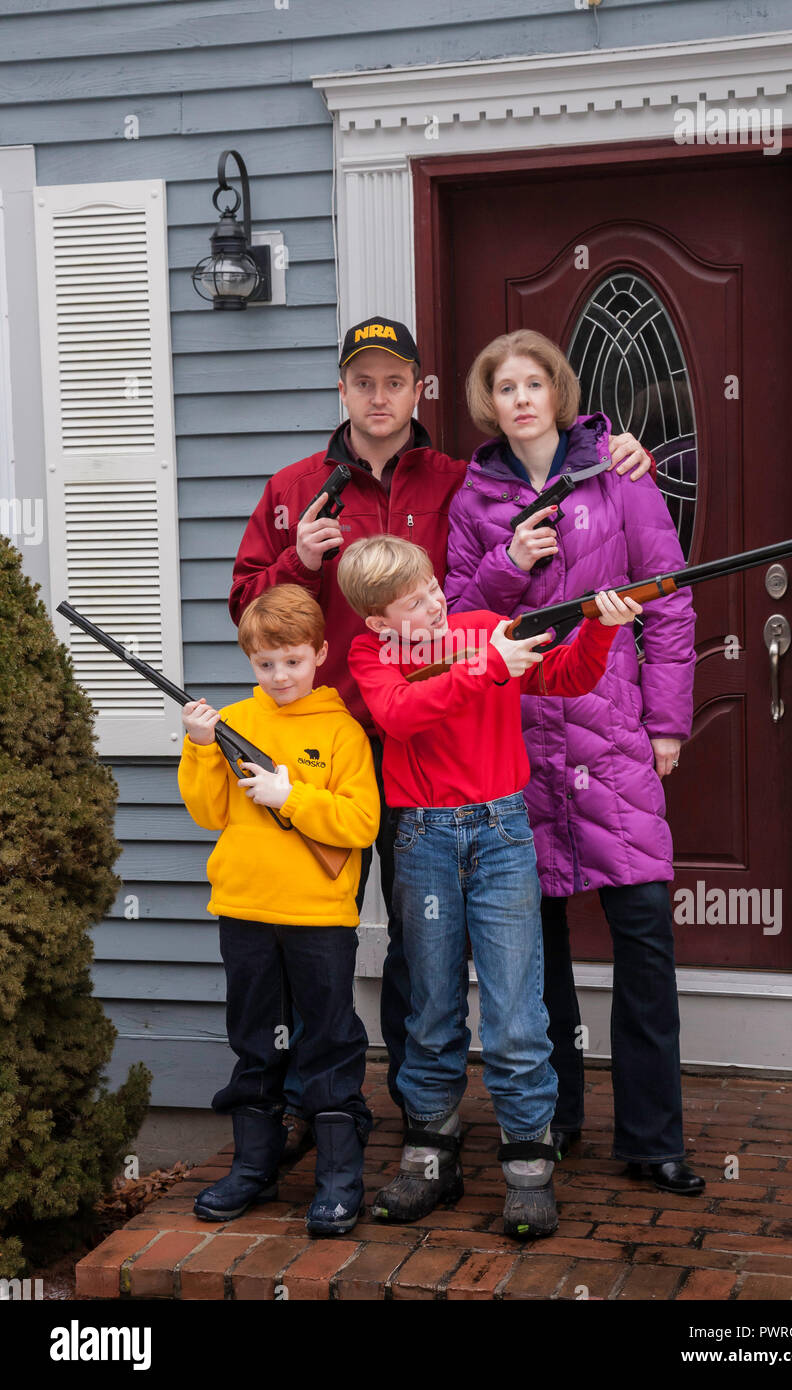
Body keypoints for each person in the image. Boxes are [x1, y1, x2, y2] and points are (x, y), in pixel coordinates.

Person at [229, 315, 654, 1148]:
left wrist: (613, 453)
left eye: (395, 381)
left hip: (442, 745)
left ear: (418, 389)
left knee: (418, 943)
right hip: (332, 734)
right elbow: (252, 611)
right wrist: (300, 561)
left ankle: (415, 1113)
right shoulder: (294, 489)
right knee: (317, 926)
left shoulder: (462, 478)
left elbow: (531, 509)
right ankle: (309, 1106)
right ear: (342, 389)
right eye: (363, 382)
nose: (378, 397)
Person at [445, 329, 704, 1194]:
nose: (521, 398)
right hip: (516, 741)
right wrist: (508, 562)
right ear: (489, 403)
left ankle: (654, 1137)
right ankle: (552, 1119)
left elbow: (668, 600)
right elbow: (456, 620)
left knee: (643, 933)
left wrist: (666, 723)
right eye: (504, 387)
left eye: (534, 383)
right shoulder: (476, 496)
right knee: (535, 946)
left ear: (557, 391)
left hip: (610, 733)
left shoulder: (618, 475)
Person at [340, 534, 642, 1238]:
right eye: (415, 603)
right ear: (380, 622)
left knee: (515, 1013)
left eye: (433, 588)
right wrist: (487, 667)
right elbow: (400, 713)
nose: (435, 605)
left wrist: (601, 627)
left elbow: (567, 676)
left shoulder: (483, 628)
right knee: (431, 1007)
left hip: (502, 835)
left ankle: (528, 1163)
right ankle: (430, 1154)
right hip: (422, 840)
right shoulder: (370, 655)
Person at [177, 584, 380, 1234]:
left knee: (329, 1036)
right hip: (245, 907)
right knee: (256, 1037)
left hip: (318, 915)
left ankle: (339, 1178)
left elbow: (361, 823)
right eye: (266, 663)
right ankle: (253, 1167)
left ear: (319, 653)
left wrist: (288, 797)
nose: (280, 675)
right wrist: (200, 746)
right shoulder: (236, 721)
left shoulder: (342, 731)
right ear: (251, 661)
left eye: (292, 660)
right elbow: (208, 812)